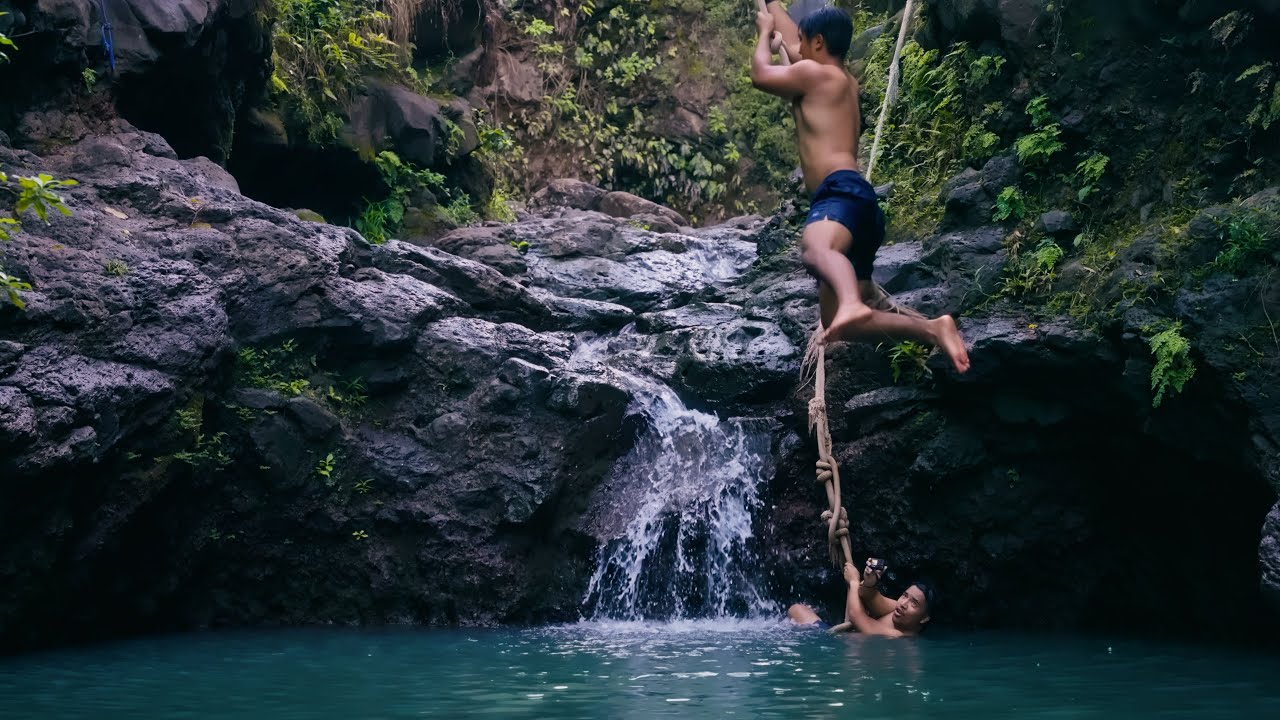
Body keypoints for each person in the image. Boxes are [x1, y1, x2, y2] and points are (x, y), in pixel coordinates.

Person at [751, 3, 970, 373]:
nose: (797, 50)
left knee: (815, 248)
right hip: (858, 206)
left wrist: (763, 31)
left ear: (818, 43)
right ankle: (932, 329)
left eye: (804, 44)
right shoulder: (840, 80)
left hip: (839, 193)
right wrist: (774, 11)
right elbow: (791, 41)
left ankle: (853, 300)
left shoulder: (814, 75)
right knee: (837, 324)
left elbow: (760, 74)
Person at [788, 558, 935, 638]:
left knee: (795, 610)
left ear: (924, 618)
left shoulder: (897, 635)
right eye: (904, 595)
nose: (903, 603)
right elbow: (872, 598)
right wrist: (870, 582)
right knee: (799, 609)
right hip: (843, 637)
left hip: (835, 644)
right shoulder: (899, 609)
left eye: (914, 603)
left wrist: (854, 581)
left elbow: (857, 616)